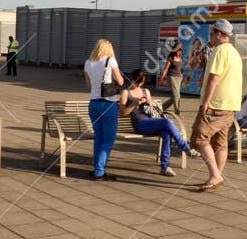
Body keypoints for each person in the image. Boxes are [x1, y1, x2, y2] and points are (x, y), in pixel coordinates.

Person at [190, 20, 241, 192]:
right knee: (220, 142)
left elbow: (214, 78)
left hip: (216, 104)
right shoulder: (234, 52)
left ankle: (215, 175)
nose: (209, 37)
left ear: (219, 34)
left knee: (198, 138)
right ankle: (216, 176)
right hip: (231, 104)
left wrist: (206, 102)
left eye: (211, 34)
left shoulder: (219, 51)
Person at [118, 69, 194, 176]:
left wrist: (149, 103)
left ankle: (165, 167)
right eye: (136, 81)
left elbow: (152, 110)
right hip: (140, 125)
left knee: (167, 134)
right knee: (167, 122)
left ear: (143, 82)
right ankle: (185, 148)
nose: (137, 84)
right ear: (131, 80)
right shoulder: (126, 93)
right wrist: (134, 103)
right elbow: (122, 113)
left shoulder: (145, 91)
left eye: (140, 82)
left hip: (151, 121)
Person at [83, 39, 125, 181]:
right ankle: (99, 171)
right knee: (108, 139)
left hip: (93, 104)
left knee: (99, 138)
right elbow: (120, 81)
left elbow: (88, 85)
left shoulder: (88, 63)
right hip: (108, 104)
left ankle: (97, 168)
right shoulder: (110, 60)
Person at [160, 47, 183, 115]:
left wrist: (181, 76)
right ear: (175, 50)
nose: (180, 52)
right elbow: (166, 69)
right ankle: (177, 111)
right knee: (176, 95)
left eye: (181, 50)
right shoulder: (171, 58)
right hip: (171, 77)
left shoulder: (180, 58)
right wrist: (161, 79)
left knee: (177, 96)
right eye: (178, 50)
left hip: (178, 78)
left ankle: (162, 107)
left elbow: (180, 69)